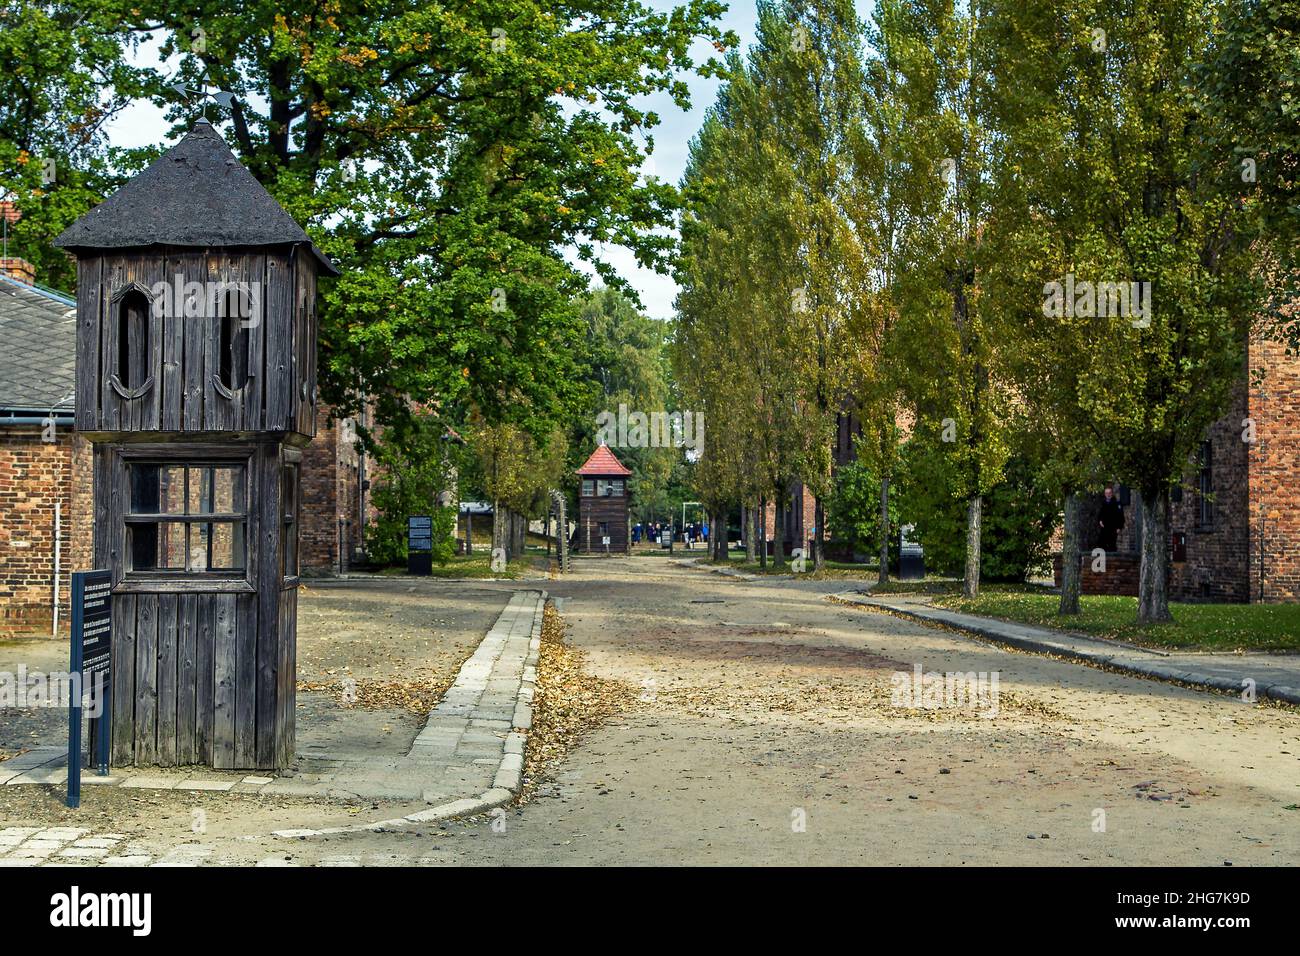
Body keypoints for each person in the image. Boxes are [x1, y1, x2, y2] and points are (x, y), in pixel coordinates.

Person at [1097, 486, 1125, 552]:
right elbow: (1100, 514)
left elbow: (1121, 516)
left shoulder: (1117, 503)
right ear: (1104, 494)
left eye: (1109, 493)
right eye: (1106, 493)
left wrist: (1119, 527)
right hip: (1104, 527)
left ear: (1112, 493)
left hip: (1113, 528)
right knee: (1102, 544)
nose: (1108, 494)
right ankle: (1104, 561)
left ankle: (1112, 560)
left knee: (1112, 545)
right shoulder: (1103, 503)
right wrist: (1100, 521)